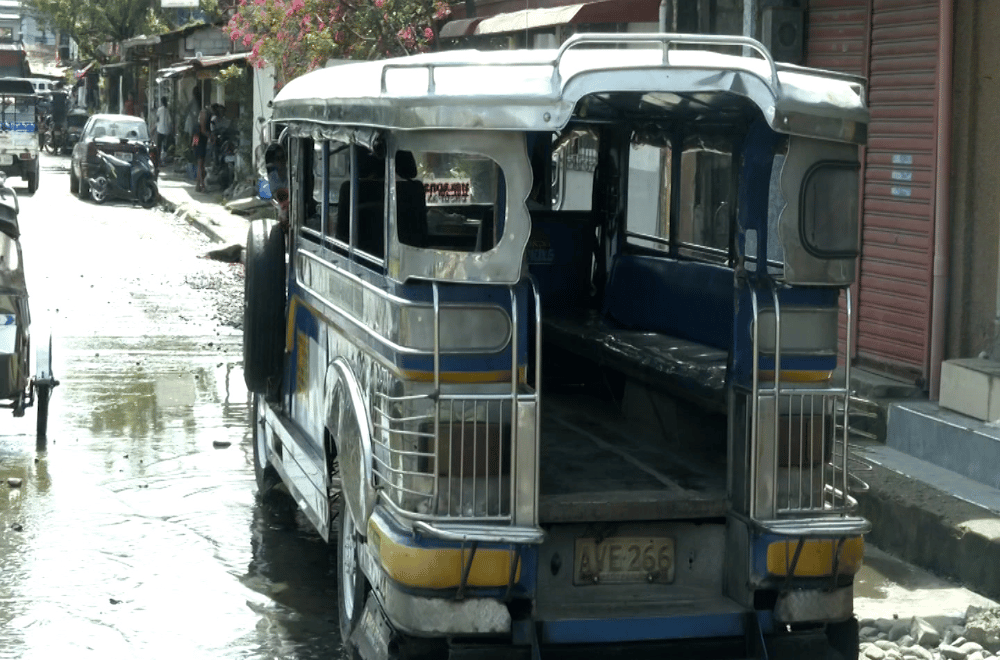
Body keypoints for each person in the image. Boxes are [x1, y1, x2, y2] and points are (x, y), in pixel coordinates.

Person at [194, 99, 210, 192]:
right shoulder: (204, 114)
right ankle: (202, 185)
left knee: (200, 164)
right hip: (199, 141)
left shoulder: (201, 114)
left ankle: (198, 184)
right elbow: (203, 130)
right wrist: (211, 137)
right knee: (201, 164)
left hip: (197, 140)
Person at [154, 96, 171, 163]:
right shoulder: (167, 110)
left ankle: (158, 160)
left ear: (161, 102)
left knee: (159, 146)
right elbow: (170, 121)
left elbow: (157, 119)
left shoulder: (159, 110)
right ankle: (163, 159)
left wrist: (155, 125)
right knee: (165, 146)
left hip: (160, 130)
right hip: (166, 131)